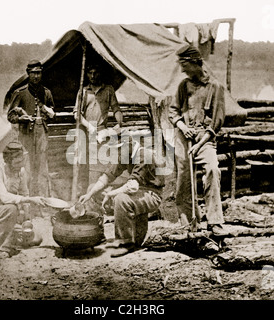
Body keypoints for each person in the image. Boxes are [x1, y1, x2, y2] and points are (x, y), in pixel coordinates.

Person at [169, 44, 227, 236]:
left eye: (184, 65)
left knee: (212, 169)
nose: (182, 69)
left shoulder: (215, 87)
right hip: (183, 138)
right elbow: (173, 111)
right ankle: (189, 224)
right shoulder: (183, 86)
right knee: (183, 182)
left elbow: (216, 123)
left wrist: (200, 144)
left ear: (195, 63)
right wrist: (183, 127)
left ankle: (215, 222)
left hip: (205, 140)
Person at [79, 133, 164, 257]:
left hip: (152, 194)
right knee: (94, 188)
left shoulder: (144, 155)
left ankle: (125, 243)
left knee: (121, 199)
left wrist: (110, 194)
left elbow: (132, 186)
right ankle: (98, 233)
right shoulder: (125, 154)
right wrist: (89, 194)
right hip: (137, 192)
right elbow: (107, 176)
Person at [0, 141, 45, 259]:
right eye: (17, 162)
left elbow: (24, 193)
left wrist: (26, 219)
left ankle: (8, 236)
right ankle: (3, 248)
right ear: (8, 161)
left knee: (37, 238)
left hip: (11, 214)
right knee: (11, 208)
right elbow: (4, 197)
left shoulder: (21, 172)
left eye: (22, 161)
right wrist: (30, 199)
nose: (21, 165)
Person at [7, 60, 55, 212]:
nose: (36, 76)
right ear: (28, 74)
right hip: (26, 135)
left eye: (39, 73)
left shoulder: (46, 92)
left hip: (42, 135)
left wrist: (47, 114)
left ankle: (44, 207)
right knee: (26, 170)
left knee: (42, 171)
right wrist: (21, 118)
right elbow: (10, 116)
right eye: (33, 73)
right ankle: (27, 208)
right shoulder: (20, 93)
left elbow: (52, 111)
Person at [73, 64, 123, 194]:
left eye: (96, 73)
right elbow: (76, 114)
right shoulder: (83, 91)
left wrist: (119, 122)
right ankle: (80, 198)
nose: (93, 76)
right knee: (82, 165)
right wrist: (89, 126)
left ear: (100, 73)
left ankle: (97, 197)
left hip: (101, 133)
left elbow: (116, 109)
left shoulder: (108, 90)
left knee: (99, 166)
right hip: (85, 132)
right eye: (90, 73)